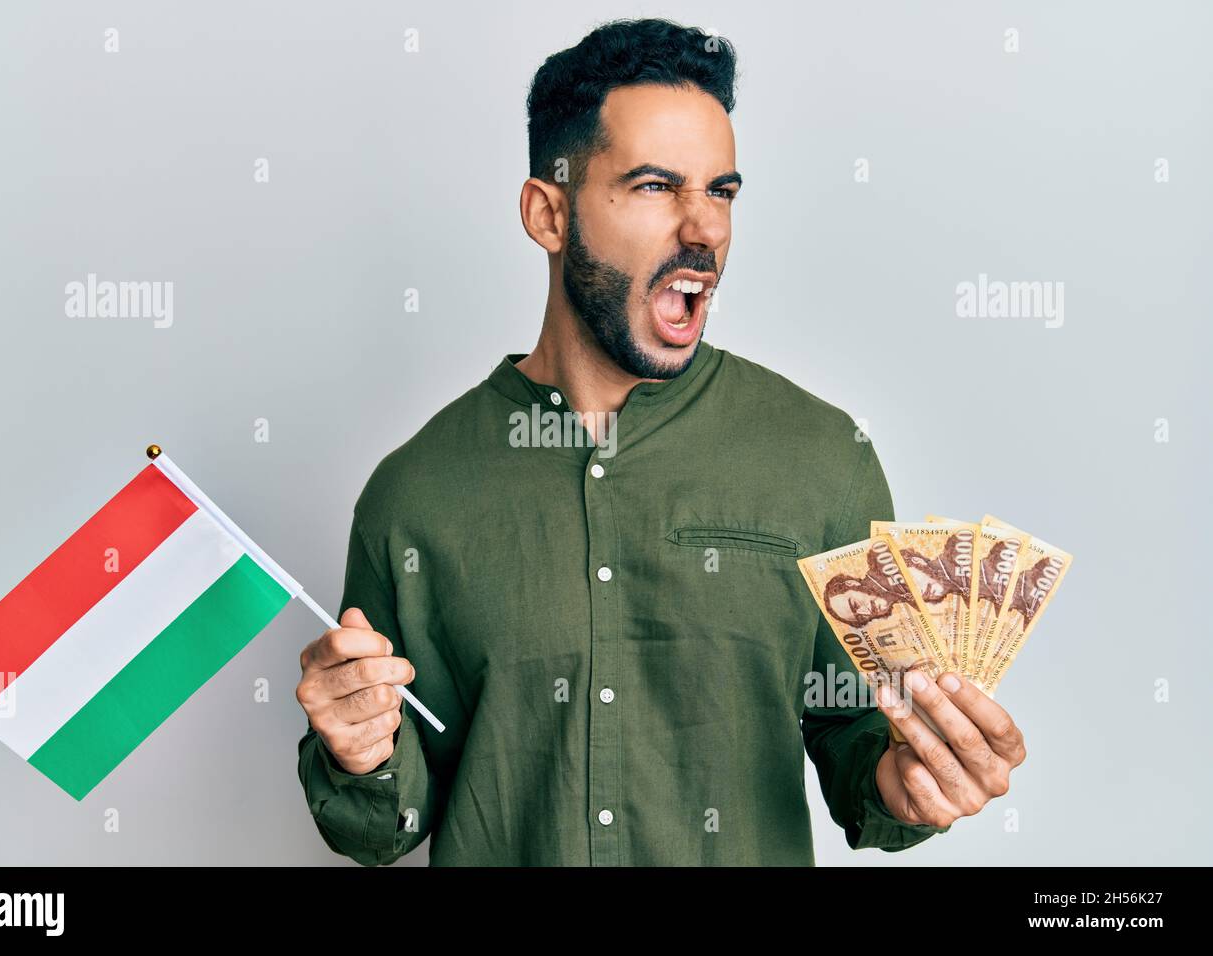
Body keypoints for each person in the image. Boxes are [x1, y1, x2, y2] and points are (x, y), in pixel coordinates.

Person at [295, 17, 1025, 866]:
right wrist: (358, 752)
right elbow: (386, 825)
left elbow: (864, 743)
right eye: (654, 186)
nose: (705, 229)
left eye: (721, 191)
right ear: (548, 213)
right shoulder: (413, 496)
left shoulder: (823, 457)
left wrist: (911, 783)